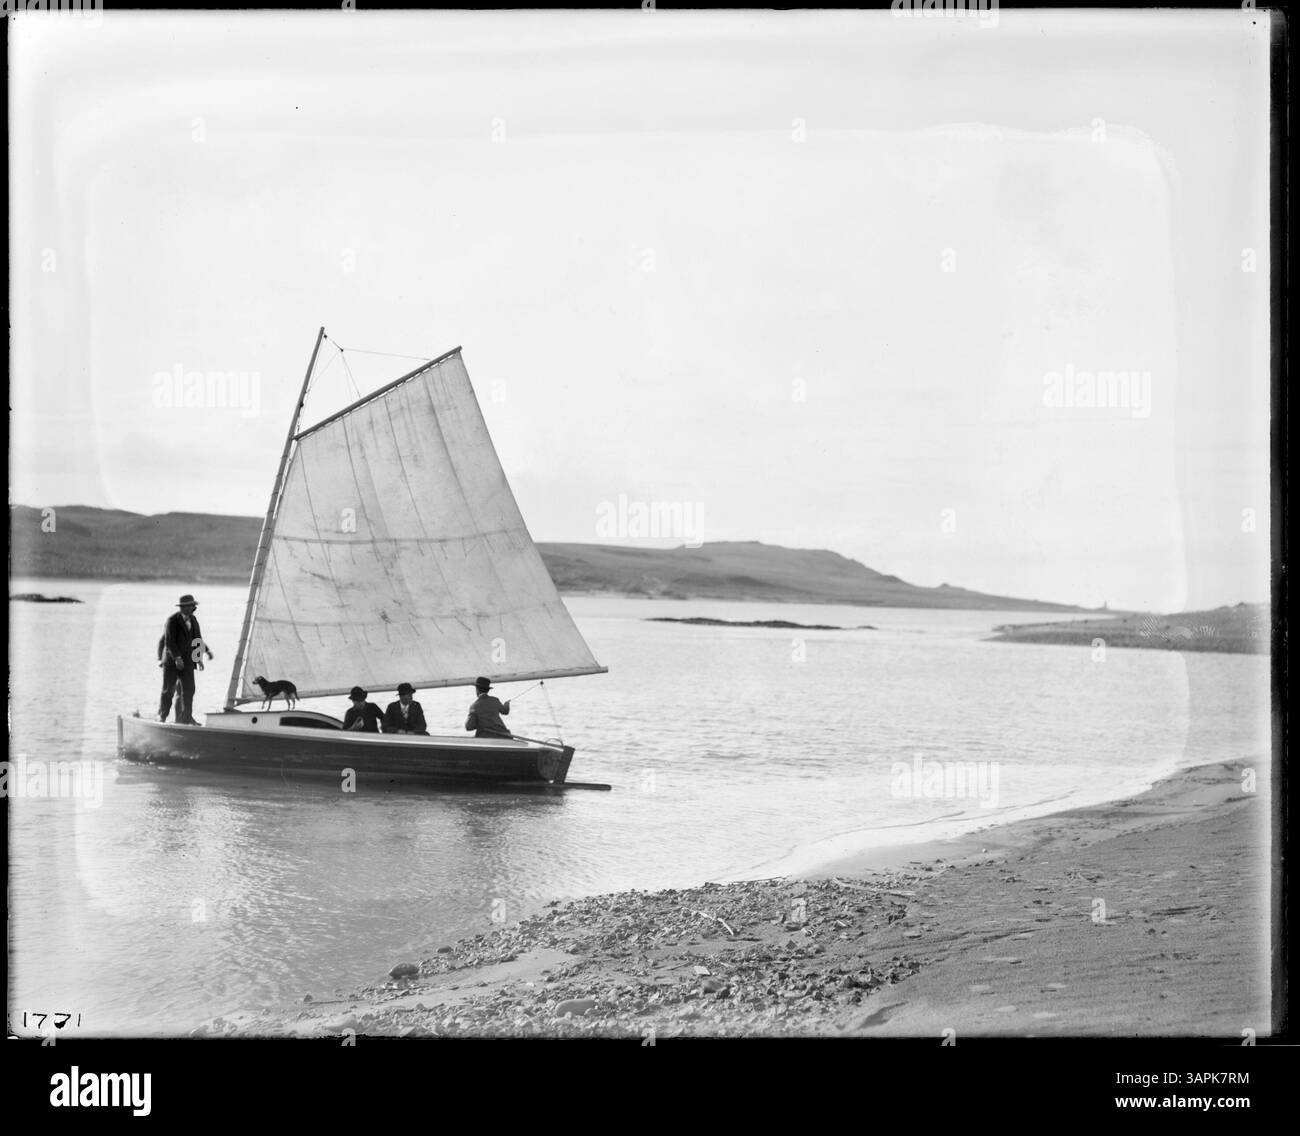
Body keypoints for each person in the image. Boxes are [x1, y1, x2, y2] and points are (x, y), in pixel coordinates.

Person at [158, 593, 213, 725]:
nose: (192, 608)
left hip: (188, 661)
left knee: (189, 689)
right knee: (168, 690)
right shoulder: (172, 620)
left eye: (193, 606)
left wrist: (200, 657)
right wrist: (177, 658)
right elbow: (169, 642)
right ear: (183, 607)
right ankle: (163, 716)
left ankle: (187, 717)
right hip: (172, 662)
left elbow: (197, 639)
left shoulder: (193, 620)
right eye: (190, 606)